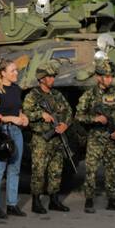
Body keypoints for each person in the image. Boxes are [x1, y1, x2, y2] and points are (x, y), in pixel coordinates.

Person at [74, 59, 115, 213]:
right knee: (91, 170)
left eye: (111, 76)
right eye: (106, 76)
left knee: (112, 170)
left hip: (113, 138)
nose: (109, 79)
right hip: (96, 138)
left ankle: (112, 200)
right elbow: (78, 116)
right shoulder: (89, 95)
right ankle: (89, 200)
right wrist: (95, 119)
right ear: (98, 77)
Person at [21, 63, 73, 214]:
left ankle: (54, 200)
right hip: (41, 140)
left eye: (53, 76)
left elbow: (69, 111)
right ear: (41, 79)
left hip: (57, 138)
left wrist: (65, 125)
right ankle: (36, 201)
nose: (52, 79)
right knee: (39, 171)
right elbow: (26, 113)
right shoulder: (32, 96)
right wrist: (41, 115)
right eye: (49, 76)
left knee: (56, 170)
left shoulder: (57, 95)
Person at [0, 58, 27, 219]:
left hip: (17, 132)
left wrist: (24, 118)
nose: (16, 73)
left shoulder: (17, 89)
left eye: (16, 70)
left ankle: (12, 204)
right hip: (3, 133)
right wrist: (11, 119)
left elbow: (19, 110)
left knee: (15, 169)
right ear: (3, 73)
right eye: (13, 71)